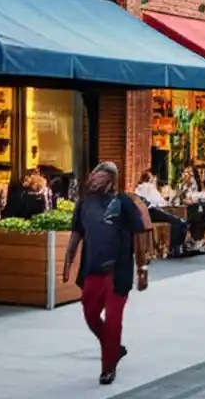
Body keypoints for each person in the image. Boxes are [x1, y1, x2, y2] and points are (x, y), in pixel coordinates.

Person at [63, 162, 151, 385]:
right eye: (93, 177)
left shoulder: (123, 203)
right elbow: (76, 233)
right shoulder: (84, 203)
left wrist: (143, 268)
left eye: (100, 178)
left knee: (113, 321)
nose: (94, 181)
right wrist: (67, 261)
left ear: (111, 181)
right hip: (92, 269)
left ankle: (108, 367)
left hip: (117, 271)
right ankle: (113, 348)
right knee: (90, 314)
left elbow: (139, 234)